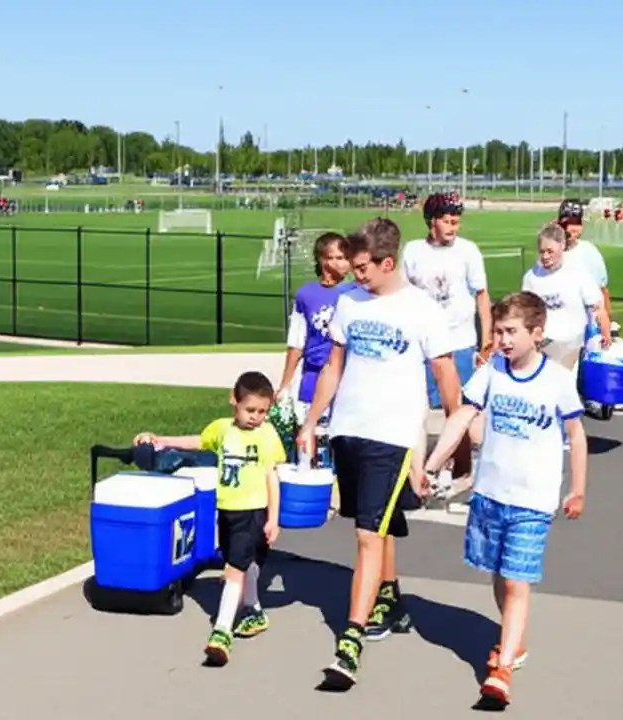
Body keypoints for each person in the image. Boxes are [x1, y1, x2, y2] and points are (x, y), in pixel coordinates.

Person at [296, 217, 463, 689]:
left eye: (364, 267)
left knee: (368, 536)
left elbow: (445, 373)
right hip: (348, 430)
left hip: (393, 437)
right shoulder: (348, 301)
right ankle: (390, 599)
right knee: (372, 525)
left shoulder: (422, 310)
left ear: (388, 263)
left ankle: (350, 642)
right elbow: (333, 367)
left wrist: (457, 435)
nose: (355, 274)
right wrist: (312, 423)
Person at [423, 291, 588, 710]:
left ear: (537, 333)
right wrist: (432, 462)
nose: (503, 340)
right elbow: (462, 415)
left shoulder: (556, 380)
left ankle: (502, 672)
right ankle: (516, 642)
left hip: (533, 499)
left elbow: (575, 435)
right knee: (498, 574)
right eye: (498, 332)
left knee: (517, 580)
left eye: (511, 332)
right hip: (491, 493)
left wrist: (578, 488)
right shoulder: (492, 372)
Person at [132, 371, 284, 667]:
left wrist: (273, 519)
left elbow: (272, 476)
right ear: (234, 401)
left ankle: (222, 631)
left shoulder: (267, 435)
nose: (256, 417)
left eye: (263, 412)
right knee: (243, 561)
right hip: (227, 510)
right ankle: (253, 610)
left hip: (254, 511)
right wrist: (161, 439)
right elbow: (200, 441)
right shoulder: (222, 429)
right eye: (250, 410)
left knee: (234, 570)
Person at [401, 192, 488, 480]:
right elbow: (401, 294)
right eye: (447, 221)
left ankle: (462, 469)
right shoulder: (413, 251)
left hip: (459, 341)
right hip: (421, 344)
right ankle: (416, 470)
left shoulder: (468, 251)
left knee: (459, 412)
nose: (453, 227)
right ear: (432, 221)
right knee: (416, 410)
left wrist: (486, 339)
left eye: (456, 222)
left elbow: (481, 296)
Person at [276, 232, 354, 417]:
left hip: (346, 377)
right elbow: (296, 342)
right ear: (323, 260)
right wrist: (285, 385)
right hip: (313, 376)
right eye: (336, 258)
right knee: (310, 435)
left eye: (344, 258)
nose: (343, 263)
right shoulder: (306, 294)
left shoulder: (355, 292)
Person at [521, 223, 611, 369]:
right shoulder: (531, 278)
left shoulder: (578, 272)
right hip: (543, 344)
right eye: (542, 251)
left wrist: (606, 334)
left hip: (570, 345)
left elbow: (597, 307)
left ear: (562, 245)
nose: (545, 256)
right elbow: (525, 312)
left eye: (550, 251)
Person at [555, 199, 612, 324]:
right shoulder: (551, 253)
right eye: (568, 223)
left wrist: (608, 322)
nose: (573, 228)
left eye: (577, 222)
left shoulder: (590, 252)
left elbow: (602, 290)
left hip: (588, 323)